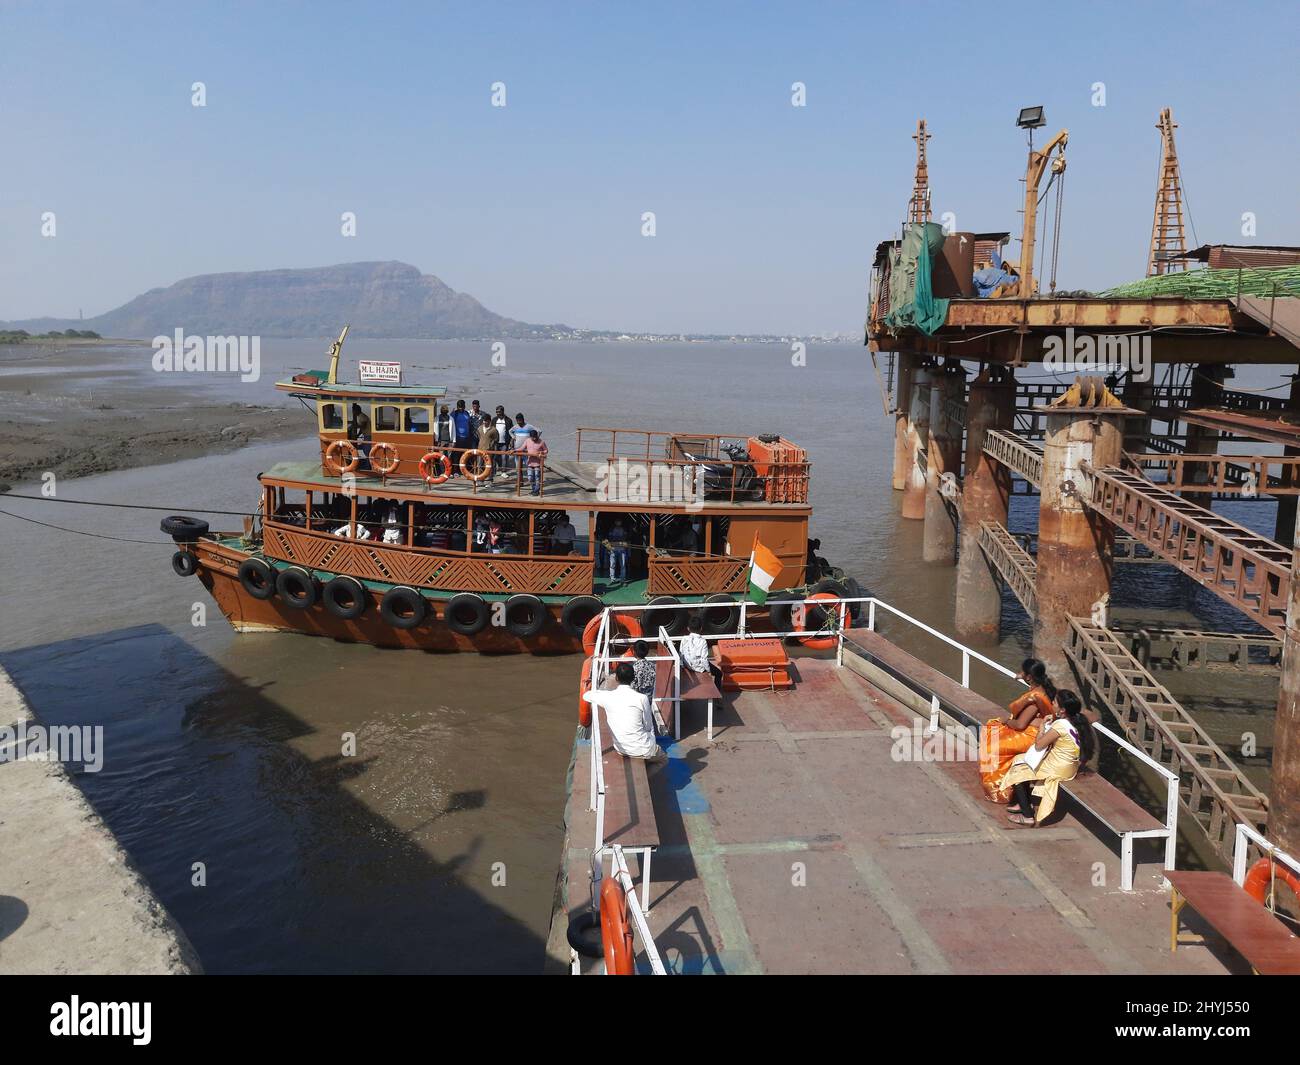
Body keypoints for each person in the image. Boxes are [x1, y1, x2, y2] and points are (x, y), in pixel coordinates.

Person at [999, 690, 1094, 827]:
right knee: (1022, 759)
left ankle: (1027, 815)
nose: (1052, 704)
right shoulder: (1076, 721)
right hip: (1070, 767)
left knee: (1018, 768)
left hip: (1058, 768)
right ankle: (1024, 803)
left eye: (1054, 702)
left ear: (1062, 709)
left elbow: (1039, 745)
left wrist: (1042, 727)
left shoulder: (1060, 725)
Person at [979, 659, 1056, 803]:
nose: (1019, 674)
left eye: (1022, 672)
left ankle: (998, 789)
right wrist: (1021, 676)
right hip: (1032, 729)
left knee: (992, 745)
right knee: (991, 729)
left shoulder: (1034, 698)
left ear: (1029, 677)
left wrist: (1007, 721)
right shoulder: (1039, 689)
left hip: (1031, 735)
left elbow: (1020, 725)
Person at [581, 662, 667, 764]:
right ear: (633, 678)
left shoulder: (607, 697)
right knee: (664, 760)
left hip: (621, 749)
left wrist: (597, 691)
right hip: (643, 749)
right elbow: (648, 726)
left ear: (616, 678)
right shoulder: (641, 698)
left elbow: (586, 696)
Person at [631, 640, 668, 734]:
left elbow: (633, 686)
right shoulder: (652, 666)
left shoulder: (634, 668)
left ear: (634, 652)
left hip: (637, 699)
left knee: (637, 720)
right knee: (647, 717)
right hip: (649, 698)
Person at [680, 617, 722, 685]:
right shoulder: (703, 641)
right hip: (698, 667)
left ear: (688, 628)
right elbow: (704, 659)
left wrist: (682, 666)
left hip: (687, 665)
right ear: (701, 628)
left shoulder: (684, 639)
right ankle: (717, 694)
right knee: (719, 673)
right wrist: (708, 671)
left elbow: (681, 654)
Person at [523, 428, 548, 496]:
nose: (534, 439)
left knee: (537, 477)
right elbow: (522, 448)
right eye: (532, 437)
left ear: (537, 436)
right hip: (530, 463)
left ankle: (536, 491)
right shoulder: (527, 440)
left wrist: (541, 452)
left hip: (538, 463)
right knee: (530, 478)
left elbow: (546, 450)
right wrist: (515, 450)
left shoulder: (541, 442)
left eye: (535, 437)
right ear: (530, 437)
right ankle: (534, 489)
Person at [494, 406, 513, 472]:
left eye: (499, 412)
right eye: (496, 412)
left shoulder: (508, 420)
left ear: (503, 411)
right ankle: (499, 466)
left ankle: (503, 471)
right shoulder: (494, 420)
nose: (497, 413)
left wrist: (511, 442)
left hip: (504, 443)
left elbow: (511, 432)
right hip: (496, 442)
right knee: (496, 457)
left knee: (504, 457)